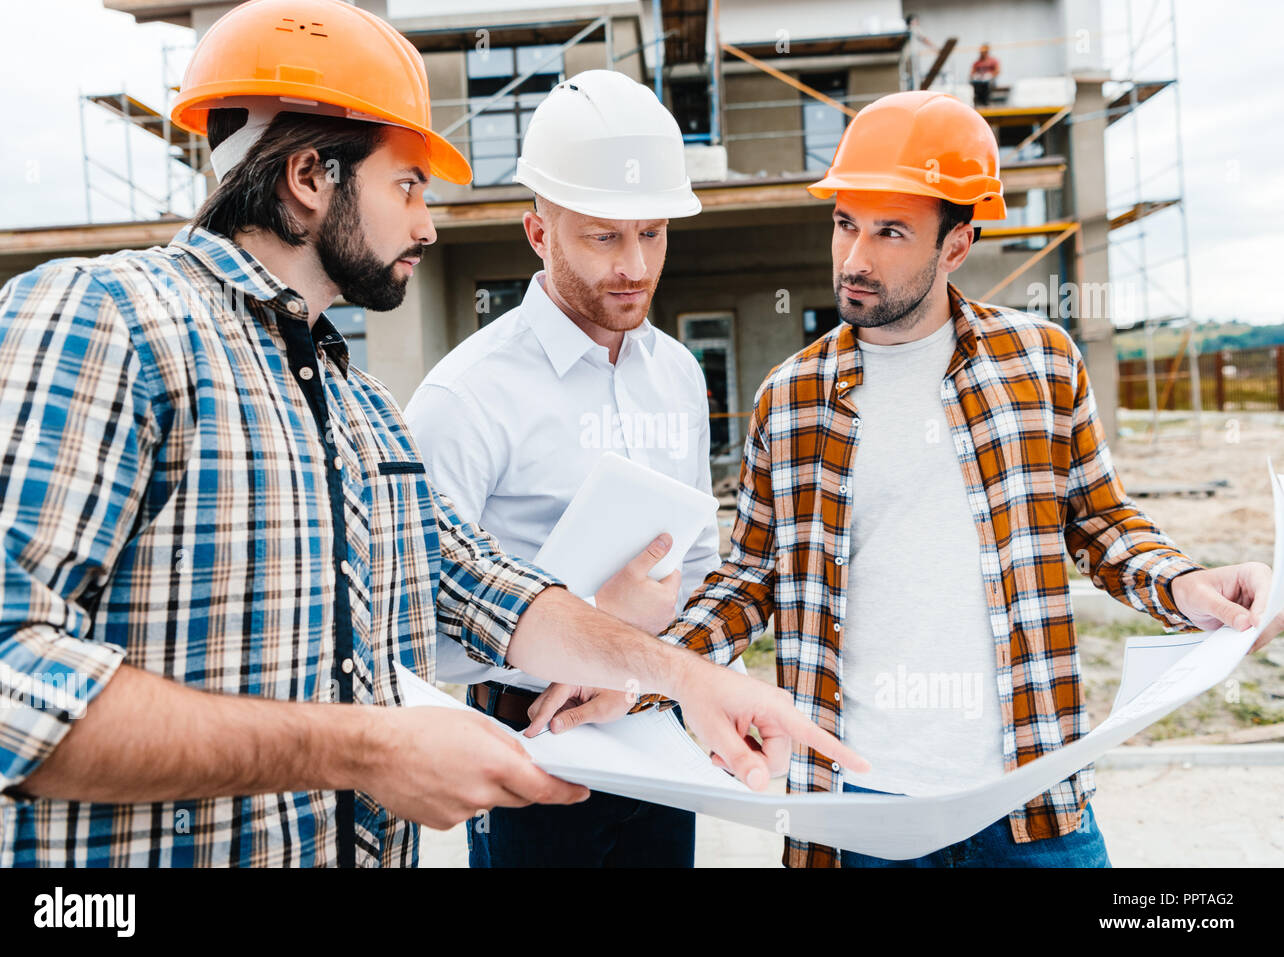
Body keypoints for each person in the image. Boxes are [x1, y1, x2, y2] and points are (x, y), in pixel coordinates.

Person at [0, 0, 865, 867]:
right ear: (309, 179)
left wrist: (689, 676)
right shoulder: (103, 318)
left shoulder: (357, 407)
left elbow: (481, 590)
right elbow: (1, 684)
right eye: (407, 185)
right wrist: (366, 749)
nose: (427, 223)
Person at [533, 90, 1284, 868]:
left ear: (956, 244)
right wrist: (636, 674)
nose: (855, 258)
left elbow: (1098, 523)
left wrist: (1185, 583)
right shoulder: (789, 400)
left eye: (890, 231)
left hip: (1030, 802)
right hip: (856, 813)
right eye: (845, 223)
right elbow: (750, 581)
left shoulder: (1042, 364)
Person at [405, 69, 742, 867]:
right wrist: (593, 620)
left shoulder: (680, 377)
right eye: (603, 236)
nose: (633, 265)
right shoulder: (465, 396)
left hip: (655, 737)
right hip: (532, 747)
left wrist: (643, 677)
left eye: (652, 233)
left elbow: (699, 568)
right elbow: (411, 623)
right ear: (538, 232)